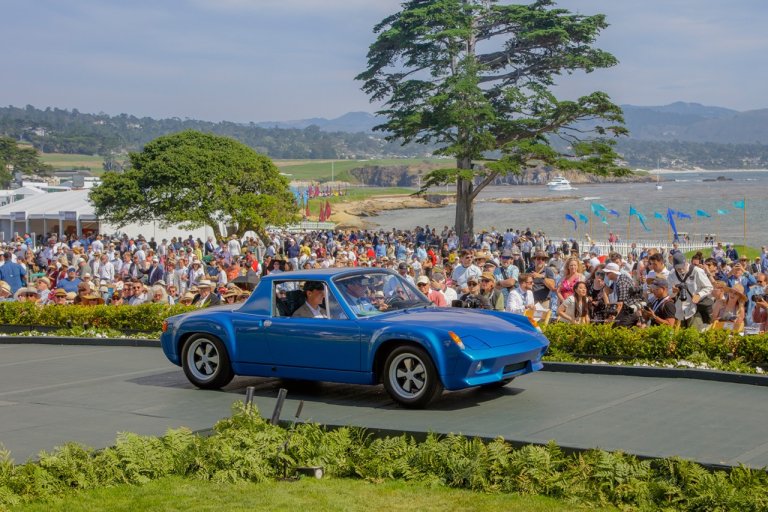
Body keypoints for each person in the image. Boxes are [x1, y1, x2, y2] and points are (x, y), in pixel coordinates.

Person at [667, 252, 714, 331]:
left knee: (693, 334)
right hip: (680, 310)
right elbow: (669, 293)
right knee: (682, 337)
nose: (681, 270)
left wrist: (699, 294)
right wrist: (674, 291)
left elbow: (709, 287)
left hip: (695, 308)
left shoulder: (697, 271)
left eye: (683, 267)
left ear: (686, 262)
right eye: (678, 268)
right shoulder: (672, 274)